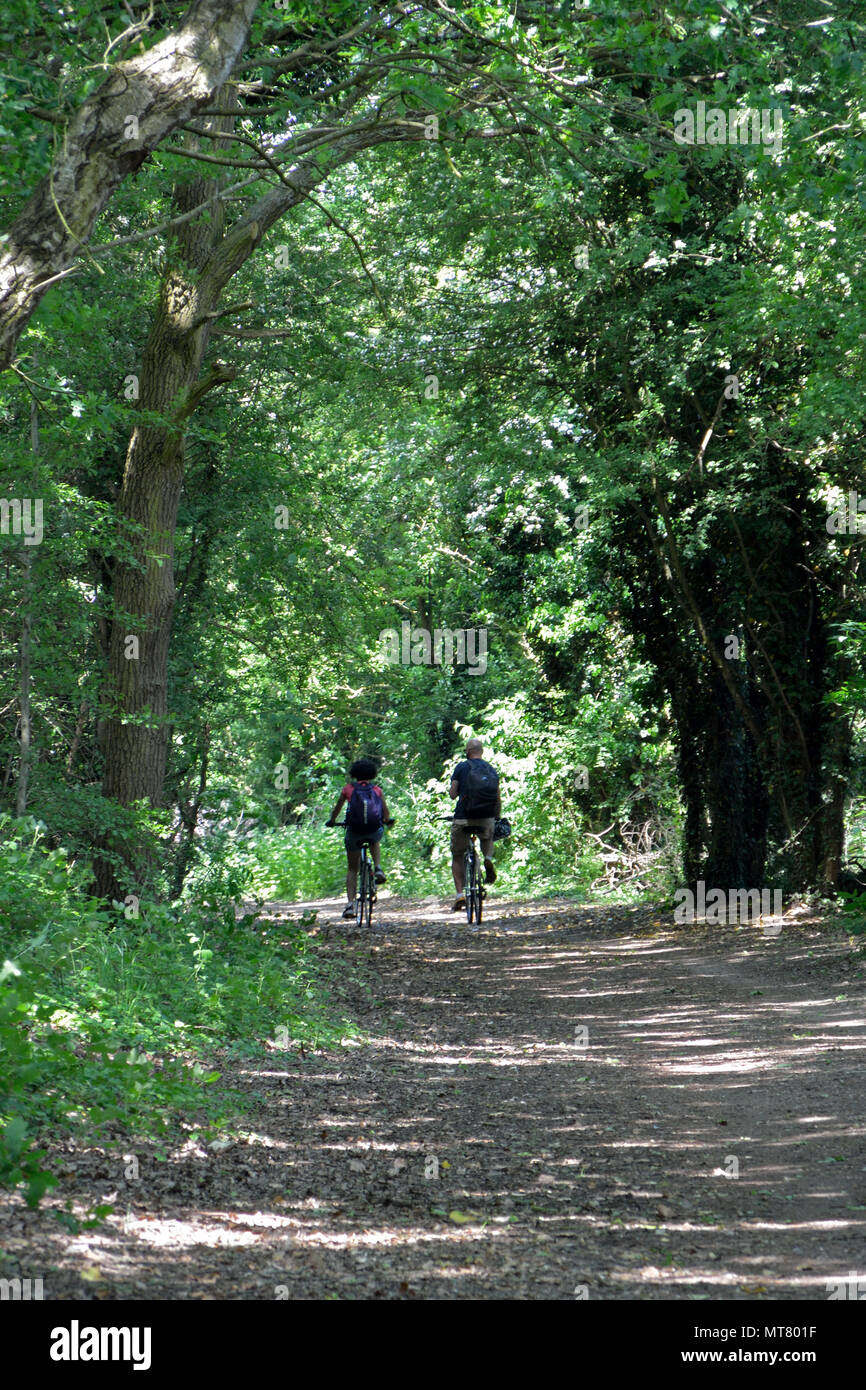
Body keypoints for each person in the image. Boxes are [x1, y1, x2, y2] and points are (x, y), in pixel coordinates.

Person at [326, 758, 393, 919]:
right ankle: (377, 867)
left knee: (352, 869)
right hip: (372, 830)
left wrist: (332, 821)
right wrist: (386, 821)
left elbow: (337, 809)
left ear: (354, 774)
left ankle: (350, 905)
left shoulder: (348, 789)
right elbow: (385, 813)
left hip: (354, 832)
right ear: (372, 773)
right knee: (376, 836)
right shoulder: (376, 790)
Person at [448, 737, 501, 912]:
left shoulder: (462, 767)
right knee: (486, 837)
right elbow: (497, 797)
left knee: (457, 855)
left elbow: (453, 794)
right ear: (482, 751)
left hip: (464, 817)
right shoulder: (490, 769)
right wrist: (496, 817)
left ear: (468, 751)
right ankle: (488, 858)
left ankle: (459, 895)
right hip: (486, 816)